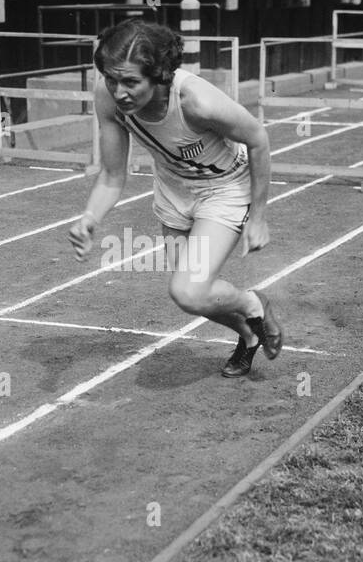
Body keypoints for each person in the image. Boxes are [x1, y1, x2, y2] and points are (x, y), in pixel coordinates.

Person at [68, 20, 284, 378]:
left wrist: (258, 216)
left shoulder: (196, 101)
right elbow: (112, 174)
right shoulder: (108, 98)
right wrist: (90, 217)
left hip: (224, 188)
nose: (119, 91)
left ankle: (254, 303)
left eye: (131, 82)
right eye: (111, 79)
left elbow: (258, 139)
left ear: (160, 76)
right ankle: (248, 335)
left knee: (187, 290)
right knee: (196, 296)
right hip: (172, 190)